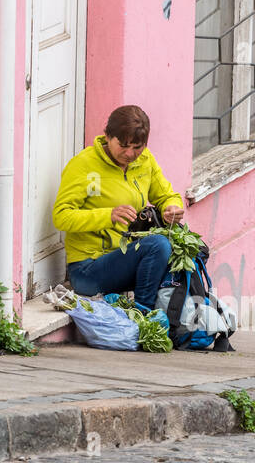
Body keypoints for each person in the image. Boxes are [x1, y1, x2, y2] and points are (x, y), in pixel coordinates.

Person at [51, 104, 184, 312]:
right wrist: (108, 215)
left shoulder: (145, 161)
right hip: (88, 269)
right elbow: (61, 216)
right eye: (123, 145)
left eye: (137, 147)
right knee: (158, 245)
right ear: (108, 136)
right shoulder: (85, 165)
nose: (130, 153)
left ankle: (173, 319)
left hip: (125, 258)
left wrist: (172, 208)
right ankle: (143, 315)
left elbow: (166, 195)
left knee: (184, 252)